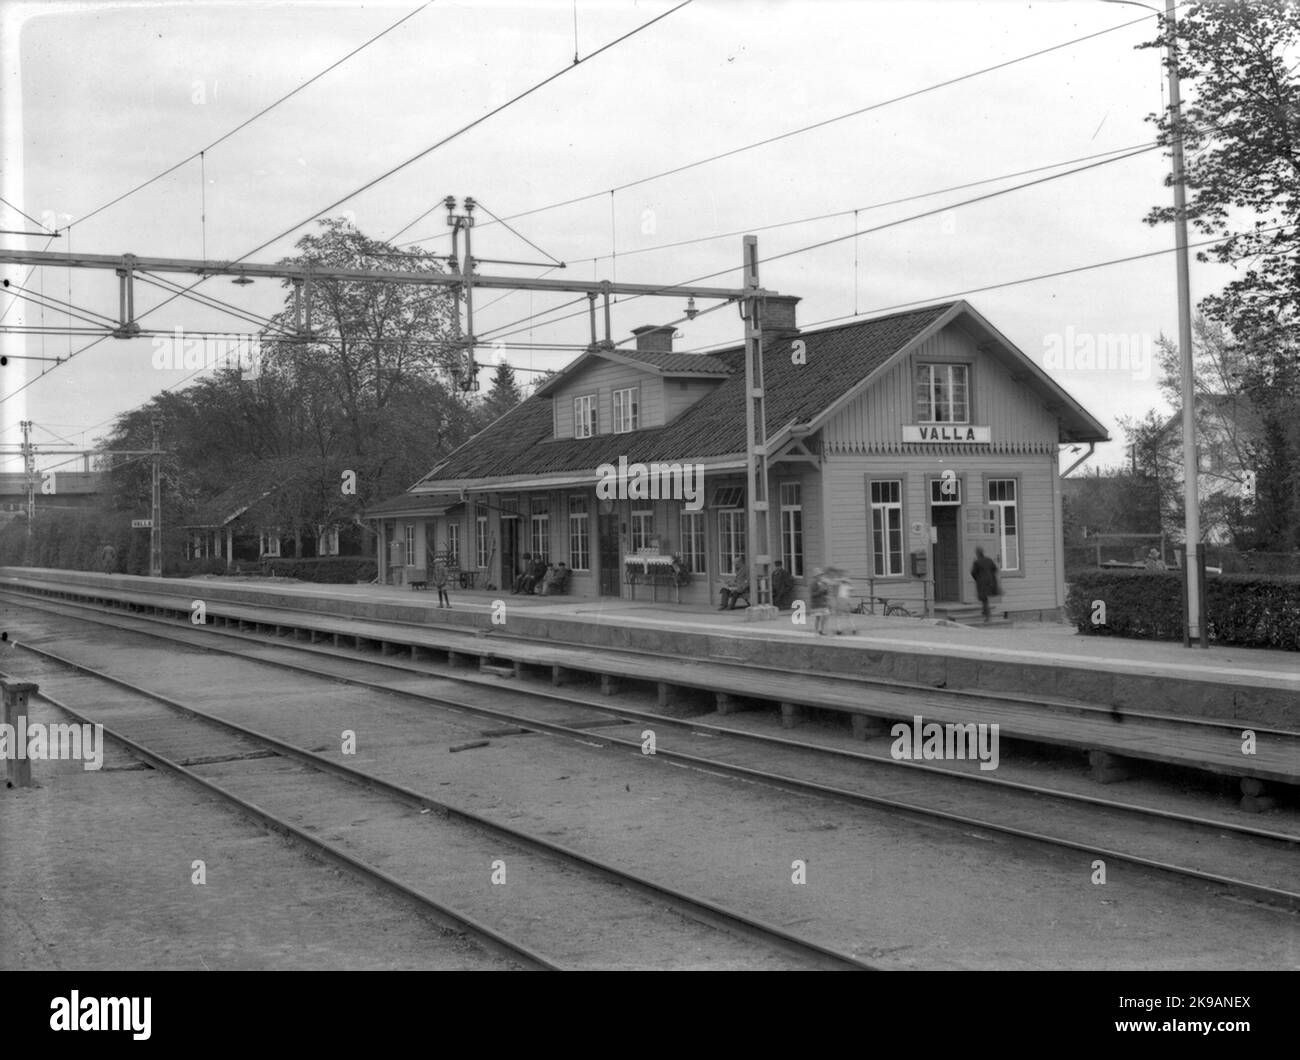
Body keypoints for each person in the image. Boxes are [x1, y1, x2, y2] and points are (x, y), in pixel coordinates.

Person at [970, 547, 1000, 623]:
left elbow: (973, 573)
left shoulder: (977, 562)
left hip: (982, 583)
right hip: (990, 582)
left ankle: (988, 616)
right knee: (984, 598)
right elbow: (995, 569)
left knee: (984, 599)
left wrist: (977, 578)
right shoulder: (989, 560)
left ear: (977, 554)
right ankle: (984, 611)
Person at [809, 567, 830, 635]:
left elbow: (826, 592)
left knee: (826, 615)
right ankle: (816, 631)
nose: (821, 576)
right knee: (818, 618)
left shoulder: (822, 583)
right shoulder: (813, 583)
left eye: (821, 575)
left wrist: (826, 589)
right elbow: (812, 594)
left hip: (823, 603)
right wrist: (820, 591)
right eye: (819, 575)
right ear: (816, 576)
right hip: (816, 604)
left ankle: (822, 630)